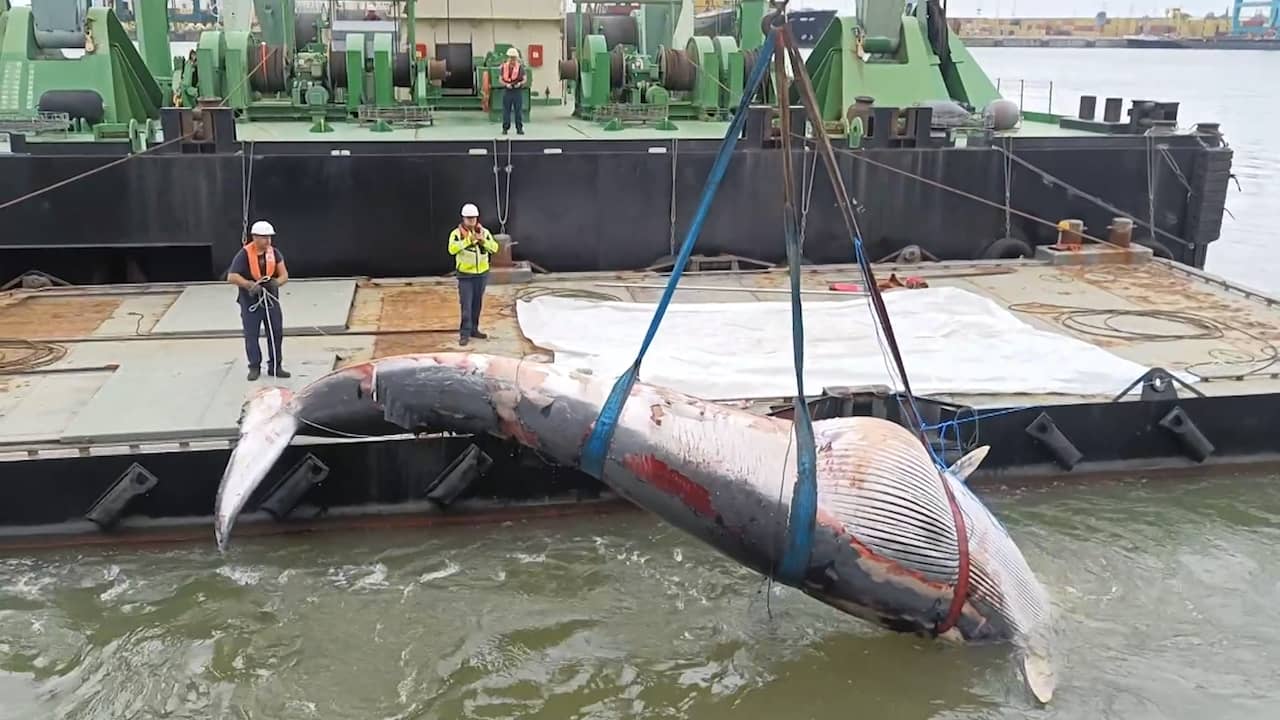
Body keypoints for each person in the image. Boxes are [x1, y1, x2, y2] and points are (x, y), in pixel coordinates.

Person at [226, 220, 291, 380]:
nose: (267, 241)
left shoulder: (275, 253)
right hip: (251, 303)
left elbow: (284, 275)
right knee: (251, 334)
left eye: (269, 237)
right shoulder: (243, 255)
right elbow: (232, 276)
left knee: (276, 332)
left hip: (270, 301)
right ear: (254, 237)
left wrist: (276, 282)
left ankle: (275, 366)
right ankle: (254, 367)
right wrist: (248, 285)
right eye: (263, 237)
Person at [448, 203, 500, 346]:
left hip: (481, 274)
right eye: (468, 218)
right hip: (465, 276)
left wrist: (483, 242)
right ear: (463, 218)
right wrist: (467, 241)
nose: (471, 221)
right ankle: (464, 333)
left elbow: (495, 248)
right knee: (466, 306)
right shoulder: (456, 234)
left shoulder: (484, 232)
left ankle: (474, 330)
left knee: (477, 304)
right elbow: (452, 249)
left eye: (473, 218)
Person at [499, 47, 525, 135]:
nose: (512, 60)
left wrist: (520, 84)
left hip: (517, 91)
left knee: (518, 111)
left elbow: (525, 79)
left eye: (514, 58)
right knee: (506, 111)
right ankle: (505, 128)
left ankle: (519, 128)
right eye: (511, 58)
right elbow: (500, 79)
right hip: (507, 91)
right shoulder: (504, 67)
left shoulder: (520, 67)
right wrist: (506, 84)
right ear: (508, 58)